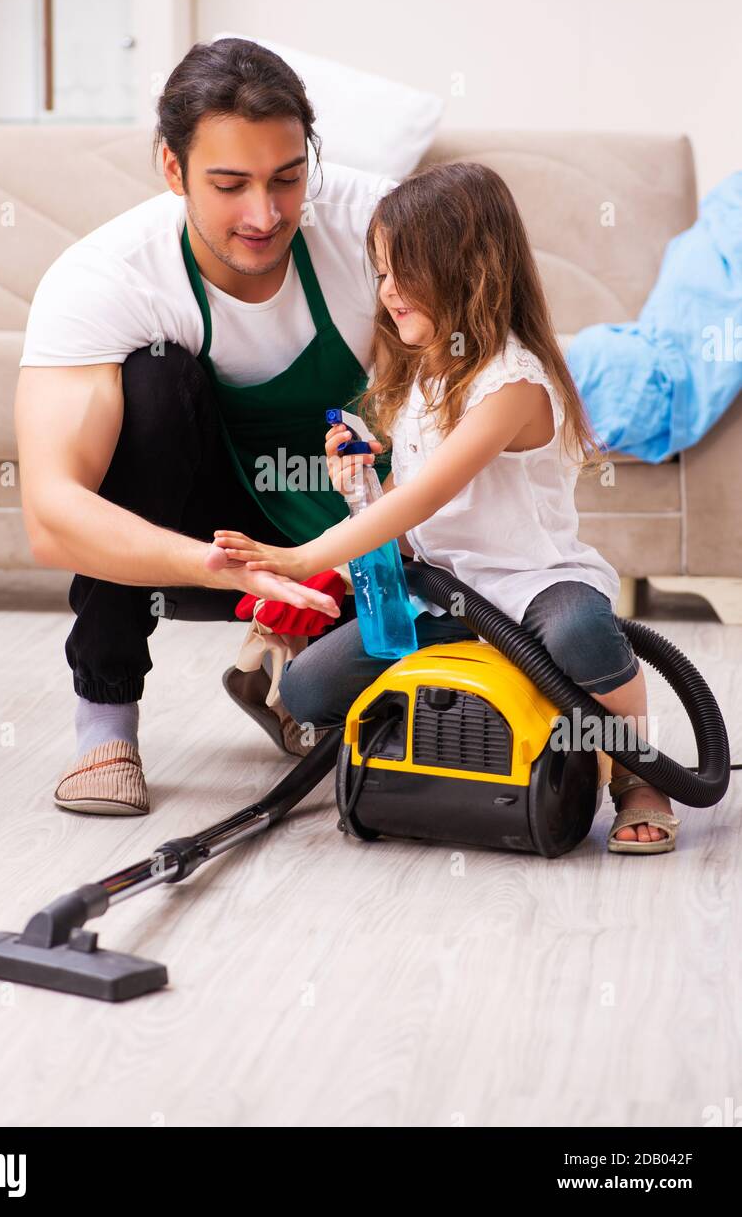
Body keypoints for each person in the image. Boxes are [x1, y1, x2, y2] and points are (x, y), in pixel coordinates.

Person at [210, 162, 682, 855]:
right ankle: (428, 731)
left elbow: (430, 493)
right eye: (380, 272)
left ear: (470, 270)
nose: (388, 291)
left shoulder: (513, 383)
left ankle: (639, 779)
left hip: (533, 589)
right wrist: (358, 490)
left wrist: (300, 555)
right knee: (308, 693)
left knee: (582, 633)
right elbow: (408, 510)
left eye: (405, 271)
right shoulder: (420, 371)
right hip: (445, 598)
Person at [15, 37, 397, 815]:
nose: (265, 215)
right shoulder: (108, 277)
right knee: (155, 374)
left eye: (288, 179)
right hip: (202, 544)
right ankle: (105, 728)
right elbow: (54, 517)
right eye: (229, 185)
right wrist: (221, 567)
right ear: (171, 169)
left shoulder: (378, 228)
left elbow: (482, 386)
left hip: (354, 522)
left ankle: (283, 667)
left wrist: (355, 529)